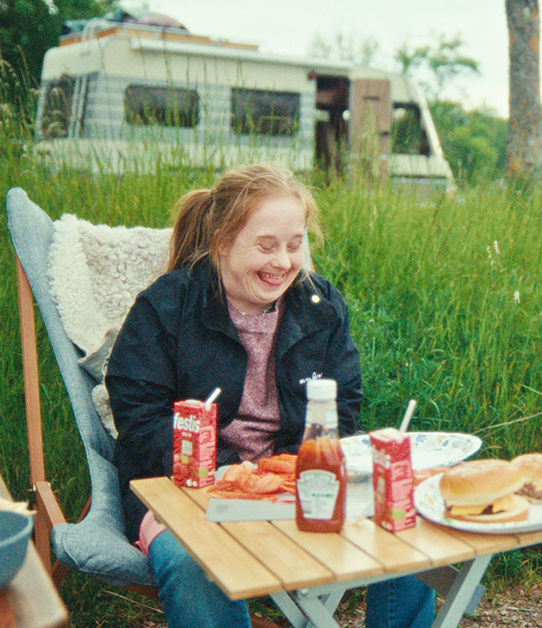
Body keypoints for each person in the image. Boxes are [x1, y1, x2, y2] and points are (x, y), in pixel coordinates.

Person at [106, 163, 434, 628]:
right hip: (185, 489)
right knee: (193, 561)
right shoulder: (168, 305)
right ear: (222, 241)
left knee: (406, 519)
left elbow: (344, 406)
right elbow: (139, 416)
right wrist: (224, 469)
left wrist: (304, 472)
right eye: (266, 246)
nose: (283, 261)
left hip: (295, 484)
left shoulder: (320, 306)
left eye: (294, 245)